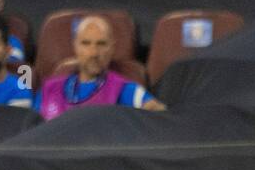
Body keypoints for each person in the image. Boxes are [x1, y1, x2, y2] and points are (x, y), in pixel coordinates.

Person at [35, 15, 167, 120]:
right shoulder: (49, 89)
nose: (94, 53)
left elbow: (159, 114)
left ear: (111, 48)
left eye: (101, 44)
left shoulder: (124, 89)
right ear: (75, 47)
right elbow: (30, 131)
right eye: (86, 43)